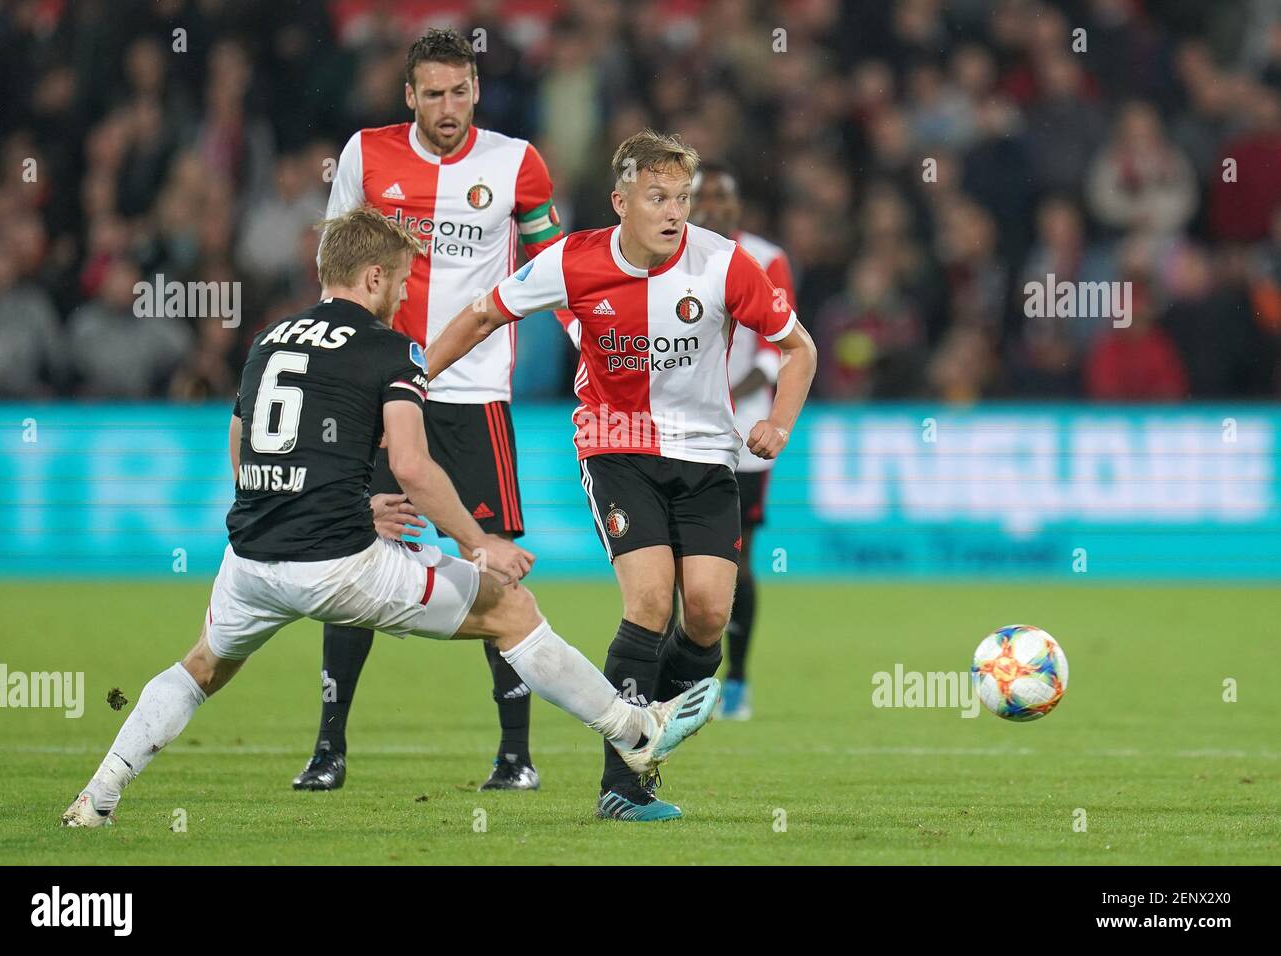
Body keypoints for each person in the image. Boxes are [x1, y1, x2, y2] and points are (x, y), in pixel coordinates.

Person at [61, 206, 719, 828]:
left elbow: (242, 440)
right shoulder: (390, 350)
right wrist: (477, 540)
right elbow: (411, 465)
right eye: (401, 282)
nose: (404, 296)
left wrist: (309, 501)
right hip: (338, 565)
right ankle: (636, 731)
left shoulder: (269, 339)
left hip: (251, 560)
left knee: (202, 665)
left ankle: (100, 793)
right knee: (509, 608)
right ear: (373, 276)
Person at [425, 130, 817, 821]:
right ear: (621, 201)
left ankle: (656, 724)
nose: (674, 212)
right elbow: (486, 312)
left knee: (708, 615)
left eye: (683, 199)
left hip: (706, 455)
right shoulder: (573, 262)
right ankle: (620, 785)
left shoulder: (723, 264)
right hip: (615, 447)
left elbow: (798, 348)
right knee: (649, 604)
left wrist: (779, 424)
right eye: (657, 197)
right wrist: (413, 380)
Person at [298, 28, 574, 793]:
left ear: (476, 90)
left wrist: (595, 342)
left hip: (475, 394)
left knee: (492, 562)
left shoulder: (517, 162)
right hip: (381, 391)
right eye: (433, 93)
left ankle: (515, 757)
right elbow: (335, 269)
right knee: (354, 562)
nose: (447, 108)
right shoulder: (364, 154)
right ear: (409, 95)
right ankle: (329, 750)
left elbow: (554, 268)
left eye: (460, 92)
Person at [689, 161, 798, 720]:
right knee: (685, 561)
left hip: (746, 430)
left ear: (737, 207)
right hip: (686, 426)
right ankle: (688, 680)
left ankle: (737, 680)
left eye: (721, 196)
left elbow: (773, 352)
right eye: (701, 195)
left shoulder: (766, 257)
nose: (711, 205)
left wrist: (720, 394)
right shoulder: (673, 254)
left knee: (740, 557)